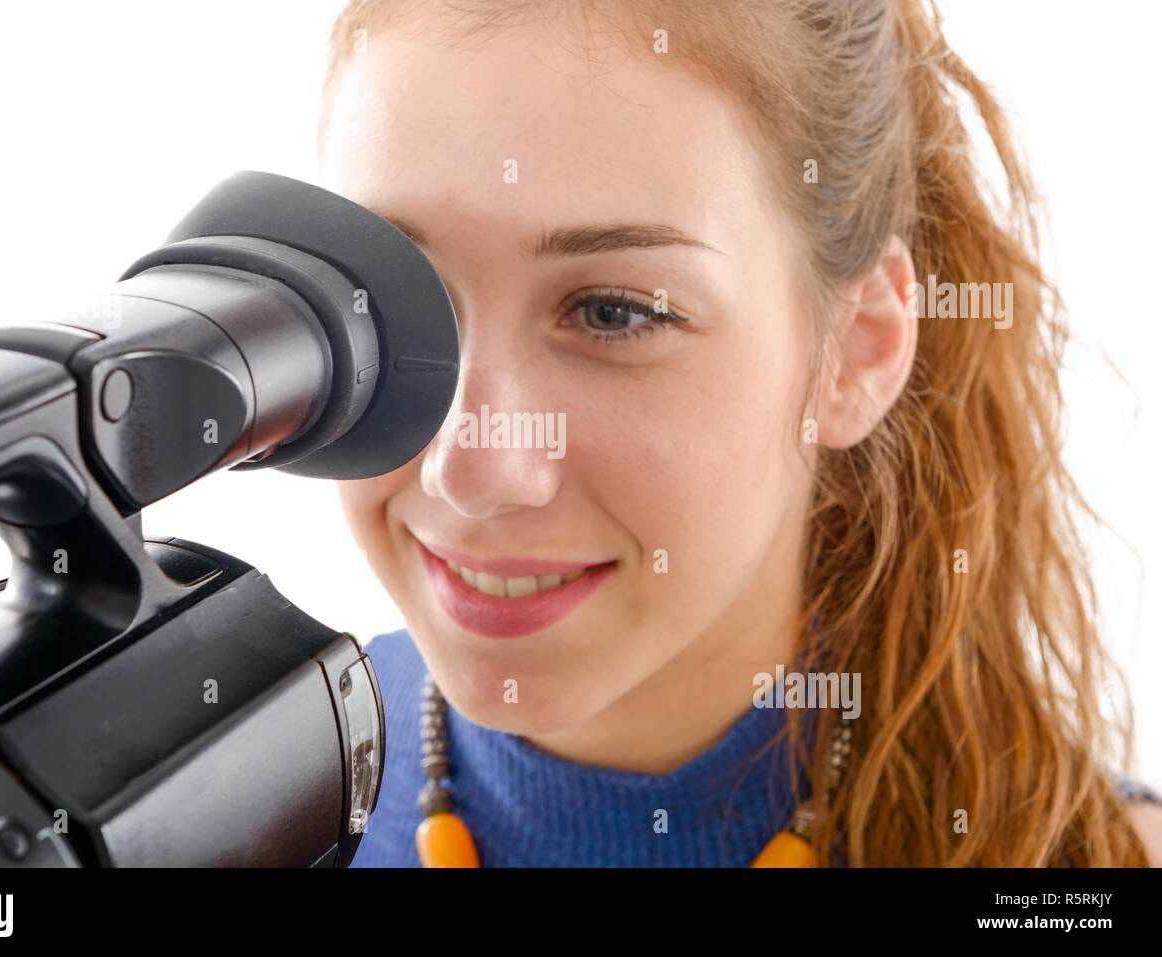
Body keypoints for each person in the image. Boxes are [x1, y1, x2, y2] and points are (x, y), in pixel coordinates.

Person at [317, 0, 1162, 866]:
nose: (470, 466)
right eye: (387, 295)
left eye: (613, 314)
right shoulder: (231, 818)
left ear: (855, 349)